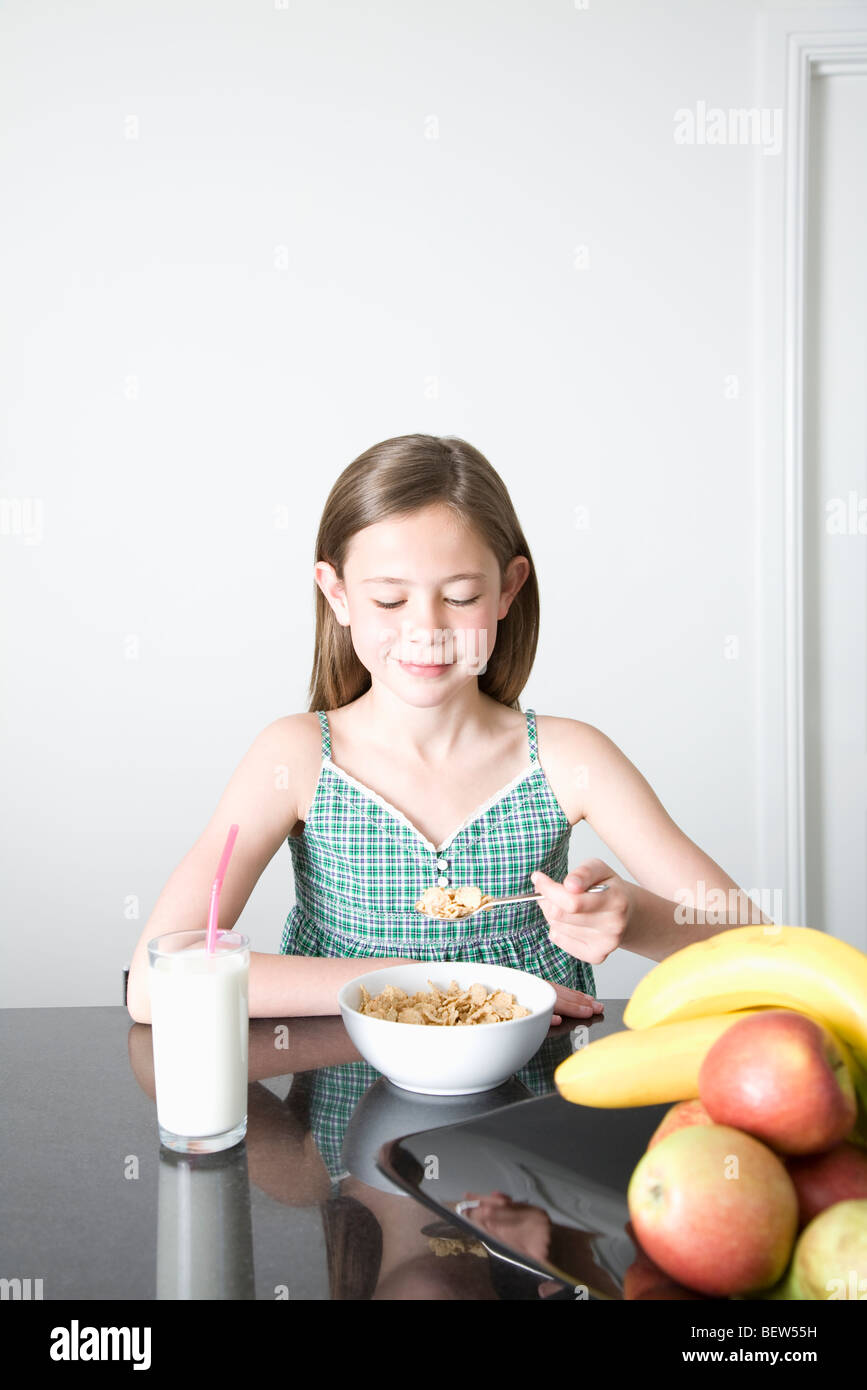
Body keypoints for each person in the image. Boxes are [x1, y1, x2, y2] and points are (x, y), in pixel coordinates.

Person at [126, 433, 768, 1027]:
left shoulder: (570, 758)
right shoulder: (296, 757)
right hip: (342, 1100)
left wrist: (637, 918)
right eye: (389, 600)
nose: (426, 630)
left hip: (527, 1101)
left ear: (508, 589)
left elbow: (758, 950)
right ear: (337, 594)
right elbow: (156, 984)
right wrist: (428, 984)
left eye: (460, 598)